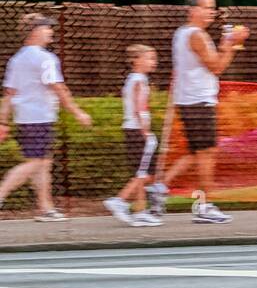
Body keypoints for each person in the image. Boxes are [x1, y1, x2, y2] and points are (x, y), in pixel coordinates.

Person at [152, 0, 249, 223]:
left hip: (190, 100)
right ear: (192, 10)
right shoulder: (196, 35)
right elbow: (216, 67)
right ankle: (204, 207)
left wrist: (229, 46)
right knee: (207, 154)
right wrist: (230, 44)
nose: (211, 13)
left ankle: (159, 187)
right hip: (199, 101)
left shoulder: (183, 33)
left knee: (197, 152)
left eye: (213, 8)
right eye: (207, 8)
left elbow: (215, 66)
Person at [0, 14, 93, 222]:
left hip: (24, 118)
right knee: (35, 162)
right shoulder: (46, 59)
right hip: (39, 117)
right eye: (46, 28)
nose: (50, 32)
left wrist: (3, 121)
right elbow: (58, 88)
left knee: (43, 163)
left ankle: (45, 208)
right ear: (34, 31)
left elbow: (9, 93)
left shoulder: (17, 59)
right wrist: (77, 112)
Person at [103, 45, 163, 227]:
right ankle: (119, 201)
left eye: (154, 58)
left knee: (144, 173)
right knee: (143, 174)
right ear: (136, 60)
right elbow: (140, 108)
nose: (153, 62)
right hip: (137, 131)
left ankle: (141, 211)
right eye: (149, 58)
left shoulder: (135, 79)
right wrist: (146, 132)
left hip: (132, 130)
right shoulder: (139, 81)